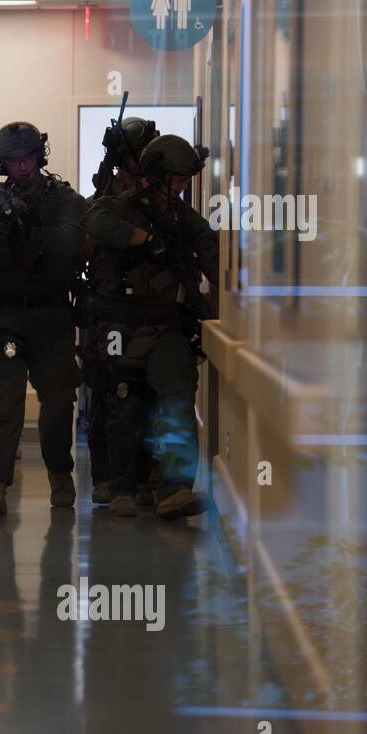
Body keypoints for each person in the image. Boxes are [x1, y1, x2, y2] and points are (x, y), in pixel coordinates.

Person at [83, 134, 218, 520]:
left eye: (184, 182)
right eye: (175, 179)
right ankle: (123, 488)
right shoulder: (122, 207)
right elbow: (93, 219)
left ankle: (175, 490)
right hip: (120, 327)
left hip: (166, 328)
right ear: (157, 174)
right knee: (124, 407)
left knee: (176, 400)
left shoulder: (182, 218)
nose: (179, 188)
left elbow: (212, 252)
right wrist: (141, 239)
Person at [0, 122, 87, 515]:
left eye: (27, 159)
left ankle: (60, 474)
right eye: (13, 161)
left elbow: (70, 242)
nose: (22, 167)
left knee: (58, 401)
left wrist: (28, 228)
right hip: (8, 314)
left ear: (39, 157)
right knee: (5, 398)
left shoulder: (63, 198)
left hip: (51, 314)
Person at [83, 118, 161, 508]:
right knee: (108, 395)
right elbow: (86, 245)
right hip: (108, 306)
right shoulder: (104, 196)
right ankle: (108, 478)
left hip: (147, 309)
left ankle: (143, 476)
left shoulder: (156, 193)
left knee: (146, 397)